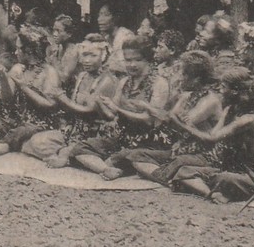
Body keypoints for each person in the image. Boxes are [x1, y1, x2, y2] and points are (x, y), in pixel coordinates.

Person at [152, 66, 254, 203]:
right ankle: (212, 194)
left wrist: (181, 124)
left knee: (222, 178)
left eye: (223, 87)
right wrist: (190, 126)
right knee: (184, 171)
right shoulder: (229, 110)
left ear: (234, 91)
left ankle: (216, 192)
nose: (220, 90)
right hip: (230, 171)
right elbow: (213, 134)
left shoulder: (249, 120)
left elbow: (211, 139)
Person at [64, 36, 170, 178]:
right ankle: (107, 169)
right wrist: (100, 103)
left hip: (147, 140)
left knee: (129, 156)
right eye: (128, 60)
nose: (132, 65)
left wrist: (119, 109)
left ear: (148, 60)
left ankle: (107, 166)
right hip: (123, 136)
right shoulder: (125, 82)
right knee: (81, 147)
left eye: (137, 60)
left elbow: (149, 120)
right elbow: (112, 114)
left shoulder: (159, 83)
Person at [114, 51, 223, 184]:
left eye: (184, 74)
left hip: (203, 155)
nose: (180, 78)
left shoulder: (210, 100)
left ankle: (169, 177)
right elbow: (169, 117)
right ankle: (169, 177)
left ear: (197, 79)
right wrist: (150, 107)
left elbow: (178, 124)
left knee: (178, 162)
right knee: (136, 156)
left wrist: (163, 112)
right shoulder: (187, 96)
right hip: (182, 149)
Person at [0, 26, 60, 156]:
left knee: (24, 132)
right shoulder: (17, 68)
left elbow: (50, 105)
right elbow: (6, 100)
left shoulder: (49, 72)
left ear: (29, 51)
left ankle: (6, 145)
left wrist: (23, 87)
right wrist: (3, 79)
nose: (15, 53)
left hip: (38, 122)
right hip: (15, 120)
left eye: (18, 49)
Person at [28, 35, 118, 167]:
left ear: (103, 57)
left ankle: (68, 155)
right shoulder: (82, 76)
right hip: (76, 129)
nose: (87, 60)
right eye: (84, 55)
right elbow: (73, 105)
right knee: (36, 141)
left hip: (95, 133)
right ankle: (68, 154)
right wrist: (56, 99)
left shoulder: (107, 80)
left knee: (70, 149)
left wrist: (62, 98)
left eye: (93, 56)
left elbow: (88, 111)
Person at [97, 2, 135, 77]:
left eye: (106, 15)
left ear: (116, 17)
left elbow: (130, 65)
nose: (99, 19)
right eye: (99, 15)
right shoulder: (106, 38)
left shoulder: (126, 36)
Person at [154, 29, 187, 99]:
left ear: (172, 50)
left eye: (160, 47)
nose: (156, 50)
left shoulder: (182, 70)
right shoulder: (160, 67)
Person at [47, 14, 80, 83]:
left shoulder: (74, 51)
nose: (54, 34)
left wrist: (53, 60)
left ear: (69, 34)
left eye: (58, 31)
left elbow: (64, 78)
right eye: (54, 30)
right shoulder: (59, 48)